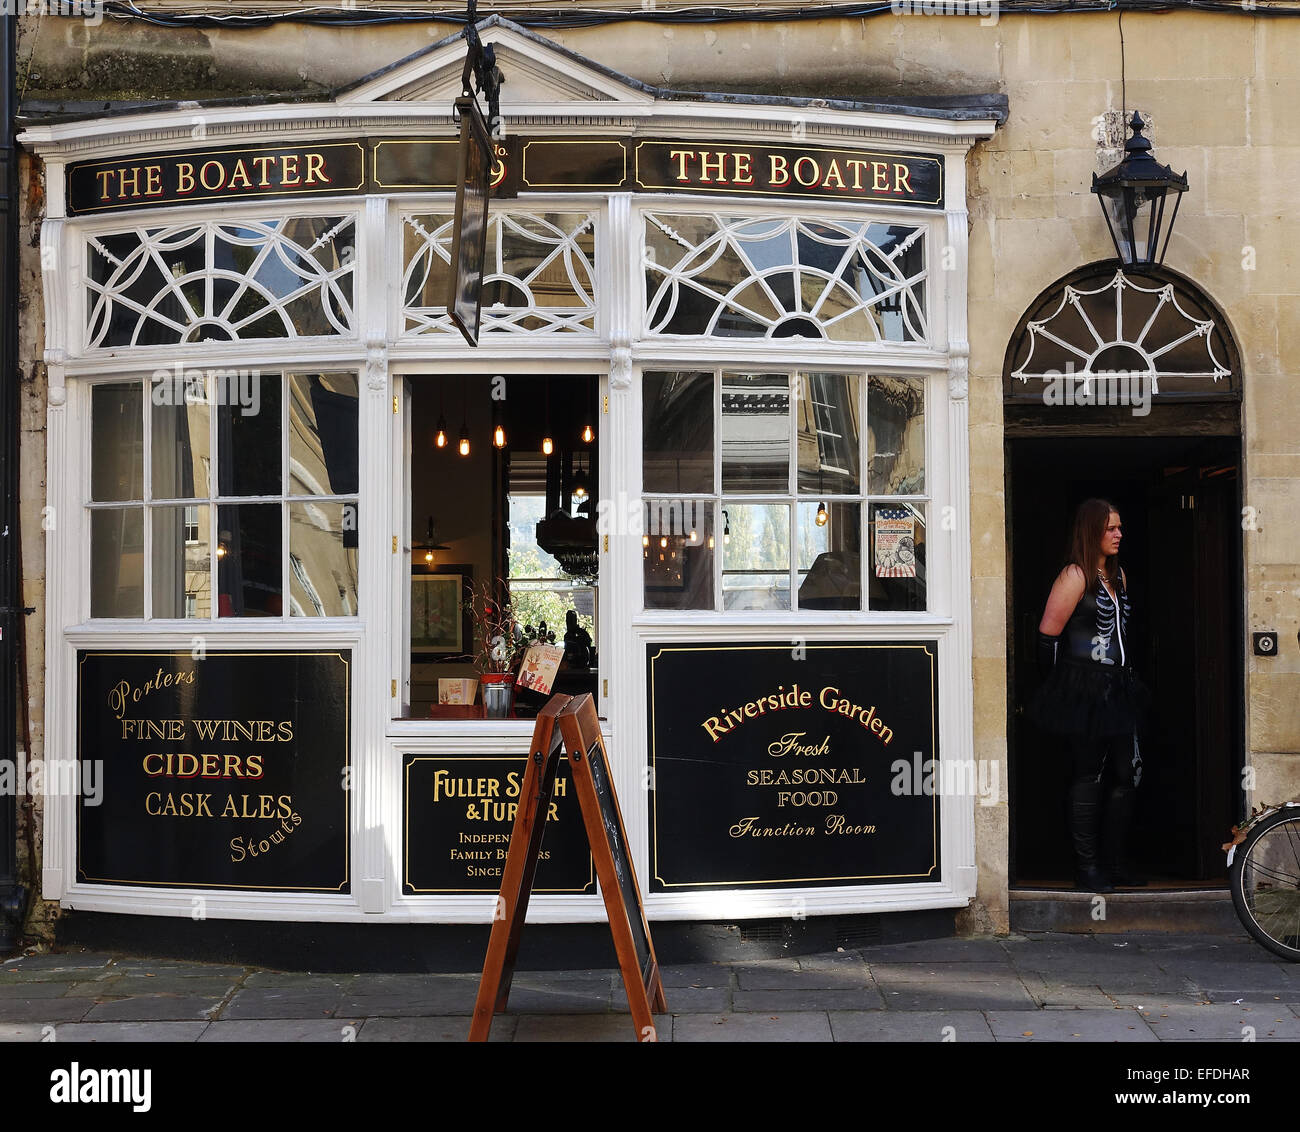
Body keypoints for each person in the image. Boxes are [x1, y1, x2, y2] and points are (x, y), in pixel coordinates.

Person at [1032, 498, 1146, 893]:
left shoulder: (1118, 576)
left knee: (1126, 774)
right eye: (1110, 528)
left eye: (1119, 527)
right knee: (1089, 773)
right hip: (1084, 687)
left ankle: (1114, 863)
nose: (1118, 534)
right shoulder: (1075, 575)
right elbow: (1048, 635)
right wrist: (1059, 688)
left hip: (1119, 685)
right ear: (1092, 531)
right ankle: (1088, 866)